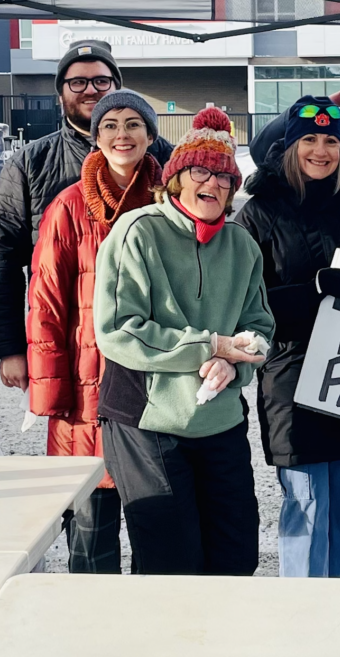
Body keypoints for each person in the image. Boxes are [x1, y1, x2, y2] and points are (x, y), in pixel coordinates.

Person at [94, 106, 276, 575]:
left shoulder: (242, 245)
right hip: (147, 421)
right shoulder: (137, 232)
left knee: (235, 558)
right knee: (170, 562)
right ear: (175, 178)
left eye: (223, 178)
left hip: (220, 422)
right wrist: (212, 346)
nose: (212, 185)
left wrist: (239, 360)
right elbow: (118, 330)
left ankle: (224, 648)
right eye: (200, 171)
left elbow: (260, 325)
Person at [232, 95, 340, 578]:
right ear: (289, 147)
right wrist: (311, 291)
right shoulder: (259, 213)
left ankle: (337, 610)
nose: (321, 150)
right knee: (306, 505)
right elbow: (244, 304)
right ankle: (300, 614)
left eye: (331, 141)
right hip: (292, 377)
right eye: (309, 139)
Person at [27, 89, 162, 574]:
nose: (121, 135)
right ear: (95, 135)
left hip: (154, 383)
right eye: (110, 125)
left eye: (132, 124)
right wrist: (50, 389)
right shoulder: (68, 205)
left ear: (150, 134)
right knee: (89, 529)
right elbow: (45, 303)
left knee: (156, 524)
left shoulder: (172, 199)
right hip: (85, 388)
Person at [0, 40, 171, 394]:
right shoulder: (29, 164)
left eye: (101, 81)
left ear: (117, 87)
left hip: (155, 336)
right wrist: (10, 346)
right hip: (72, 337)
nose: (90, 90)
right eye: (78, 82)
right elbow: (2, 258)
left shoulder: (166, 162)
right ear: (61, 93)